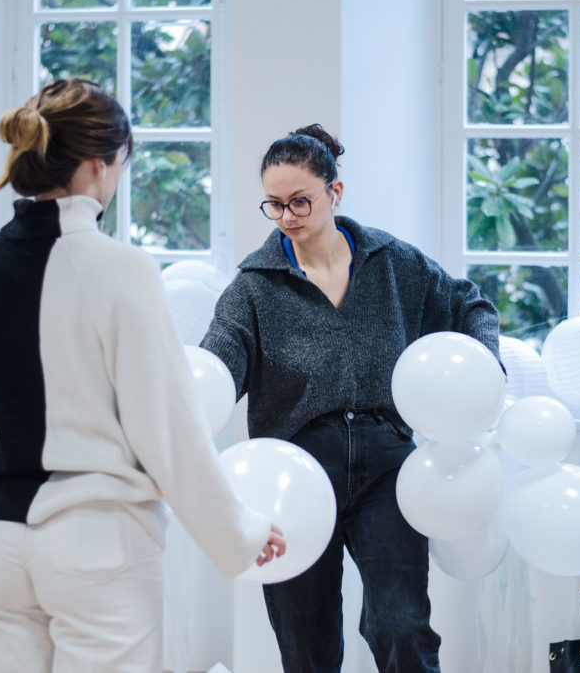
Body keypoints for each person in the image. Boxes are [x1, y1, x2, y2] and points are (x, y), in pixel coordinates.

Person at [0, 78, 284, 673]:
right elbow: (167, 428)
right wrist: (238, 534)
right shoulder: (119, 267)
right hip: (94, 547)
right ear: (97, 166)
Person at [200, 124, 503, 672]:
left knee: (401, 627)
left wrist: (484, 371)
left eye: (300, 201)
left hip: (387, 469)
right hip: (292, 477)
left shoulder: (395, 265)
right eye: (274, 205)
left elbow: (470, 306)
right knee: (306, 644)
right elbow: (216, 368)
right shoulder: (253, 288)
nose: (287, 217)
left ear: (334, 193)